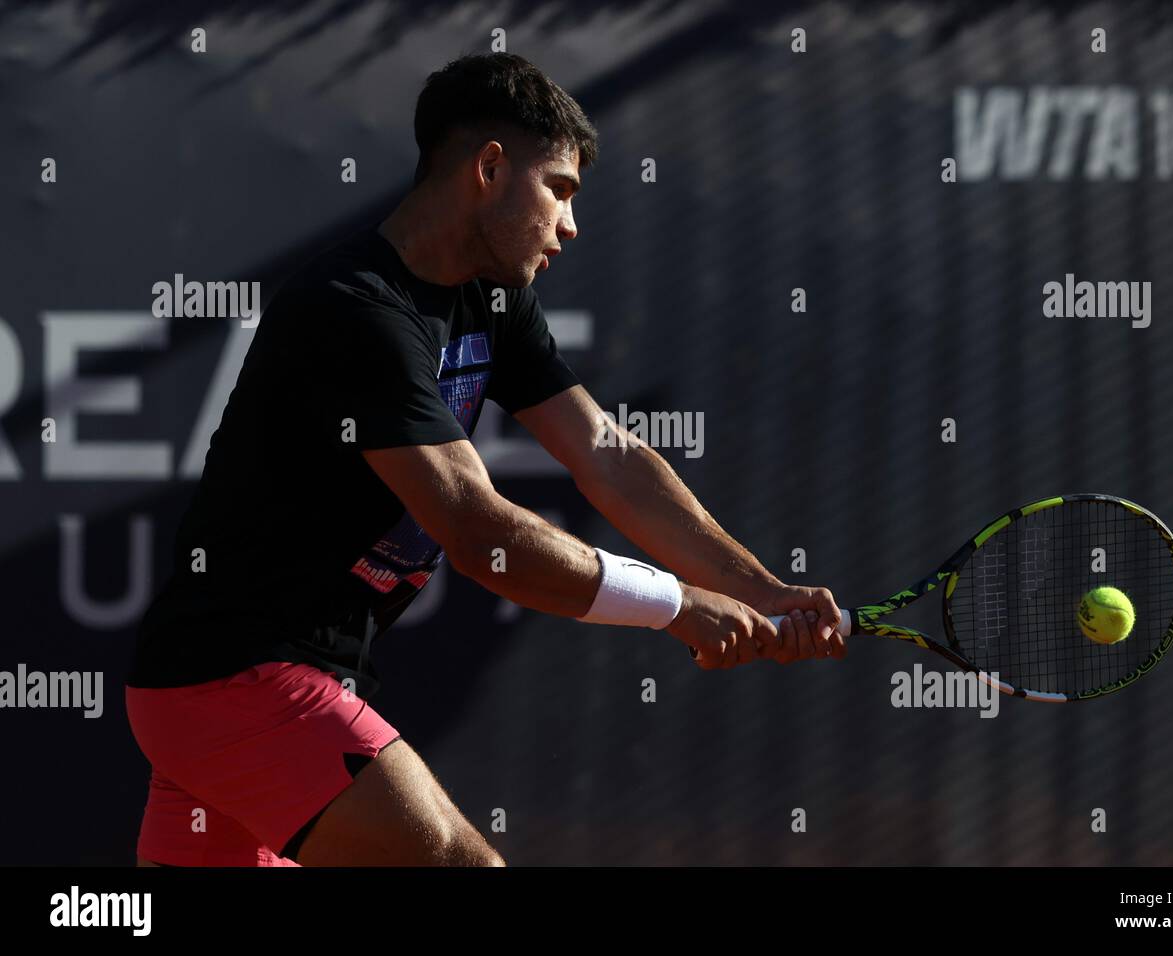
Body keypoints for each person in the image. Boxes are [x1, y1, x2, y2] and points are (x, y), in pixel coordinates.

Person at [125, 52, 846, 868]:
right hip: (242, 683)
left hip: (219, 692)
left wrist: (757, 588)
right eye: (561, 190)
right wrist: (678, 605)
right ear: (491, 168)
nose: (571, 225)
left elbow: (608, 457)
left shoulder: (494, 298)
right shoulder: (355, 311)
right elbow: (476, 532)